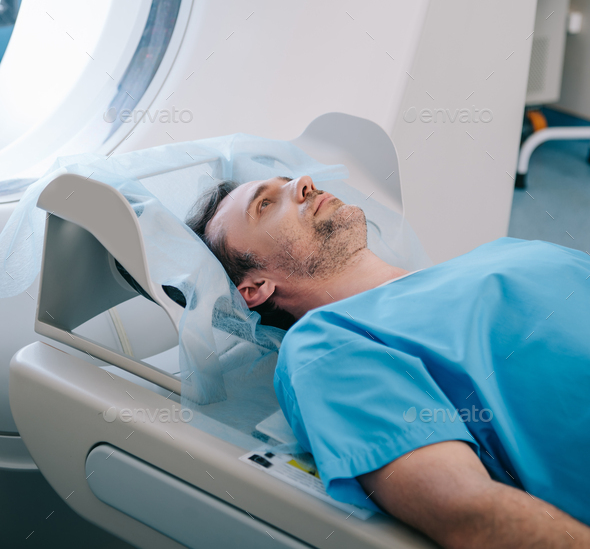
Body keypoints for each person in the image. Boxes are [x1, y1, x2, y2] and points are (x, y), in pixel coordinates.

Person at [186, 174, 590, 549]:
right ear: (255, 288)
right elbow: (468, 511)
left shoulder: (495, 254)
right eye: (264, 205)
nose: (303, 183)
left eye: (288, 180)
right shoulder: (327, 341)